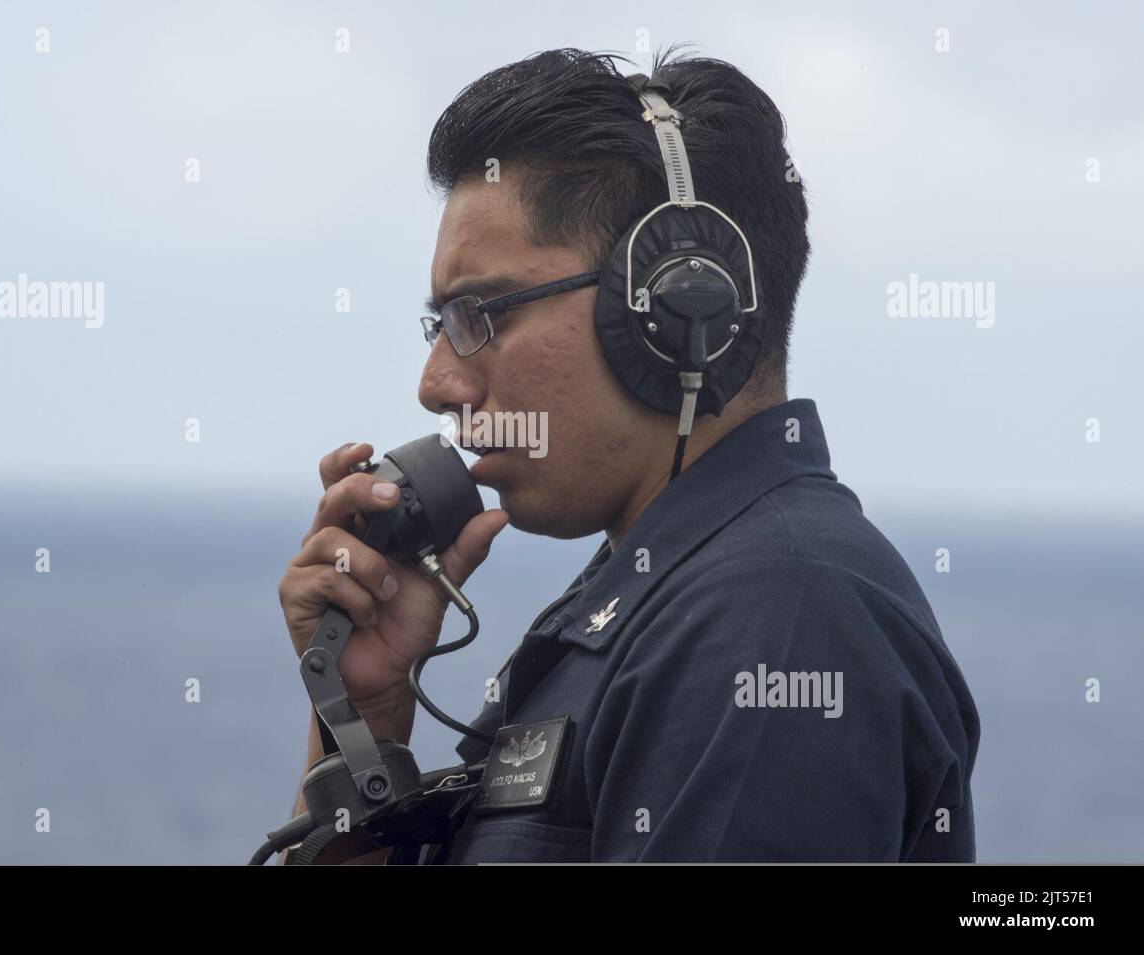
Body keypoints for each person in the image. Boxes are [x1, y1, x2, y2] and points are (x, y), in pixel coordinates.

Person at [277, 47, 980, 863]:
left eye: (477, 314)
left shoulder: (775, 619)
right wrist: (361, 717)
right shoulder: (663, 603)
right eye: (440, 326)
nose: (436, 384)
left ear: (677, 303)